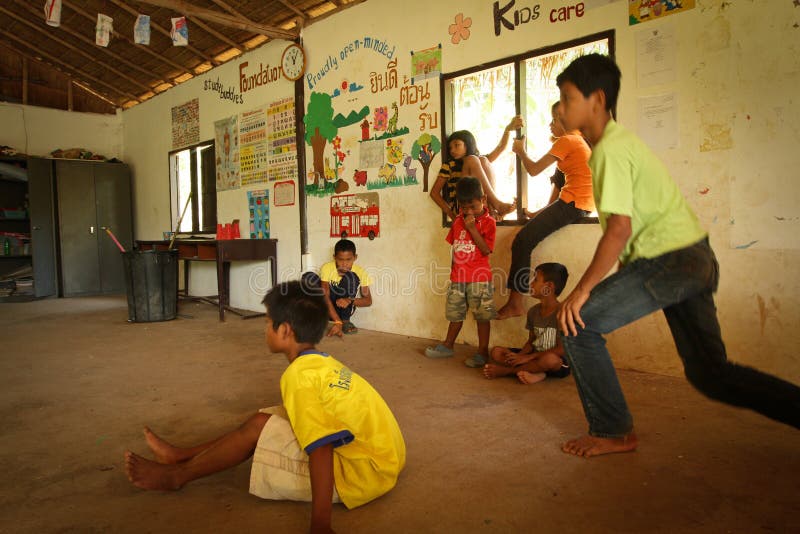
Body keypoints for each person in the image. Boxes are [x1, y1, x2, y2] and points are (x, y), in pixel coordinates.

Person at [553, 53, 800, 458]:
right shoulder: (618, 145)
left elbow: (619, 228)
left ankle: (613, 430)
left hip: (668, 262)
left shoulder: (609, 150)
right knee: (711, 376)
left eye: (567, 98)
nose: (562, 108)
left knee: (578, 322)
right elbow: (626, 229)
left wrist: (581, 292)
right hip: (694, 260)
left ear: (596, 100)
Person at [124, 280, 406, 533]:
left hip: (364, 474)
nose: (263, 328)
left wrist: (320, 525)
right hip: (383, 456)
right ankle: (182, 456)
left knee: (260, 427)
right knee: (265, 417)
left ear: (284, 331)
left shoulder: (298, 377)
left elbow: (320, 446)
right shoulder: (322, 362)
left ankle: (177, 476)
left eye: (267, 321)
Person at [497, 102, 595, 319]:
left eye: (554, 120)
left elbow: (533, 170)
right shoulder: (578, 139)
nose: (550, 125)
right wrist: (540, 212)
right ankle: (515, 301)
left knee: (523, 240)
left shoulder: (568, 140)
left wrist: (521, 151)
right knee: (523, 238)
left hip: (574, 203)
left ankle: (515, 302)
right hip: (579, 203)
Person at [425, 177, 497, 368]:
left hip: (480, 279)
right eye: (464, 208)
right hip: (458, 277)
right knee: (455, 314)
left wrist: (472, 228)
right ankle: (448, 345)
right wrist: (452, 271)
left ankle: (482, 352)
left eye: (473, 206)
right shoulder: (458, 221)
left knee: (482, 317)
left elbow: (486, 250)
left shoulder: (489, 222)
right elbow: (455, 248)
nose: (468, 211)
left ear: (483, 199)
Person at [483, 262, 571, 384]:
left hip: (556, 360)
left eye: (535, 280)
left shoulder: (562, 313)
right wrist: (520, 356)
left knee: (549, 360)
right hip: (534, 356)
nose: (530, 284)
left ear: (549, 287)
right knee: (497, 352)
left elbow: (562, 350)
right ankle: (537, 372)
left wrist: (528, 357)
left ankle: (507, 371)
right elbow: (531, 342)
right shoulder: (533, 311)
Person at [430, 129, 515, 222]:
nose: (452, 150)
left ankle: (492, 210)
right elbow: (434, 193)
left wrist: (508, 129)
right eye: (450, 148)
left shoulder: (478, 162)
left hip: (480, 205)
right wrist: (453, 216)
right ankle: (497, 205)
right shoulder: (449, 165)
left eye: (457, 145)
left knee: (483, 160)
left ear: (468, 145)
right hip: (463, 207)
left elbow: (501, 148)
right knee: (471, 159)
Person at [319, 239, 372, 336]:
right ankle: (318, 317)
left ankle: (345, 321)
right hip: (327, 308)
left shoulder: (361, 272)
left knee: (351, 276)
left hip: (343, 309)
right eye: (340, 259)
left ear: (355, 257)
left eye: (348, 259)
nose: (344, 264)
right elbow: (324, 296)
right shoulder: (327, 268)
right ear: (334, 257)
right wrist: (337, 321)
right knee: (309, 277)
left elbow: (368, 301)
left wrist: (349, 300)